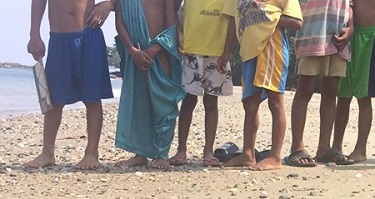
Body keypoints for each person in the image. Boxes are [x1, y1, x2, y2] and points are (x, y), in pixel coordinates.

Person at [24, 0, 115, 170]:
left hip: (89, 33)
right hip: (59, 38)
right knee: (55, 100)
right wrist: (34, 35)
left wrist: (109, 5)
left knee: (92, 98)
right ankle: (47, 153)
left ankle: (91, 153)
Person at [221, 0, 303, 170]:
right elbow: (233, 21)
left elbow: (297, 22)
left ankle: (275, 157)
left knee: (275, 101)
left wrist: (267, 15)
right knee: (249, 103)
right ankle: (248, 154)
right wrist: (226, 52)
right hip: (248, 51)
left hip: (273, 47)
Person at [115, 0, 186, 169]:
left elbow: (170, 27)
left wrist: (154, 49)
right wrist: (133, 51)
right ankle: (140, 154)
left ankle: (162, 154)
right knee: (140, 103)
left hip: (160, 53)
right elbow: (119, 23)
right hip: (135, 55)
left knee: (164, 103)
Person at [284, 0, 353, 167]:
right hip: (311, 35)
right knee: (305, 88)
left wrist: (351, 28)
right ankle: (297, 146)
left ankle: (324, 147)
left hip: (337, 38)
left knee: (331, 91)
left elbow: (351, 5)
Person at [330, 0, 375, 164]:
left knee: (364, 96)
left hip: (371, 35)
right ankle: (336, 146)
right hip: (345, 36)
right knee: (343, 95)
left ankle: (361, 148)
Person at [169, 0, 234, 167]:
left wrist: (227, 52)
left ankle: (208, 151)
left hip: (217, 53)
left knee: (211, 103)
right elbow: (172, 8)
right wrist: (179, 33)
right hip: (191, 50)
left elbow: (233, 20)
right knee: (188, 101)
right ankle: (181, 149)